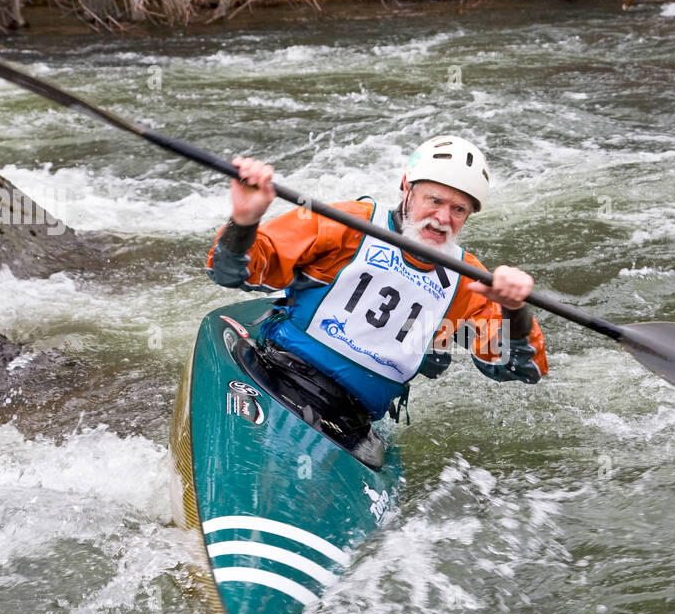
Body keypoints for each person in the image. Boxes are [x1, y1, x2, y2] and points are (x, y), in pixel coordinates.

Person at [205, 136, 547, 425]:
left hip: (353, 422)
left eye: (459, 210)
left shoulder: (466, 281)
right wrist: (245, 221)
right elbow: (232, 272)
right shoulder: (346, 224)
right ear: (406, 188)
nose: (443, 218)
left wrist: (514, 310)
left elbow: (519, 369)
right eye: (435, 200)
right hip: (276, 378)